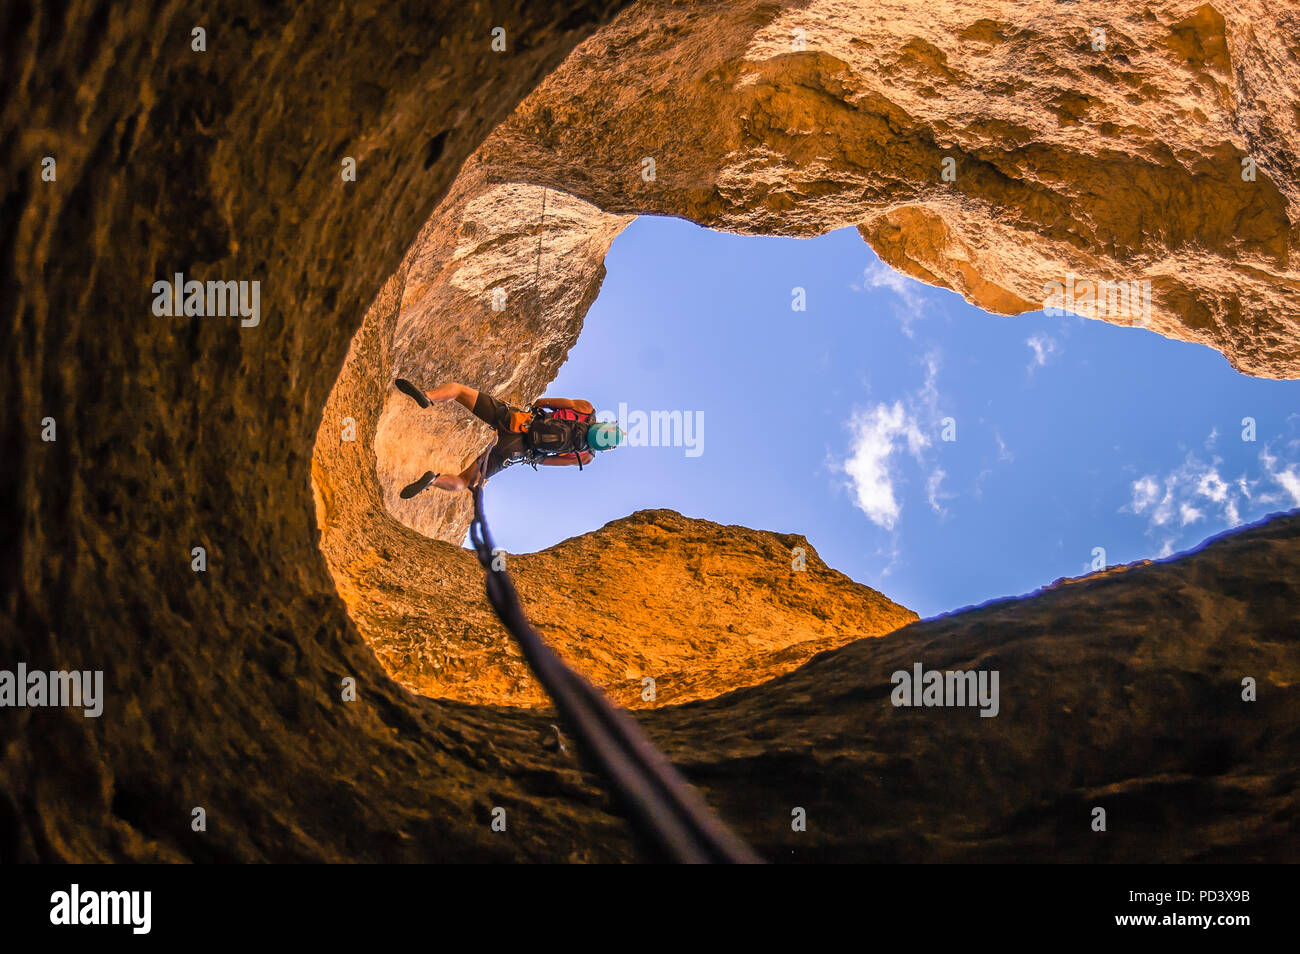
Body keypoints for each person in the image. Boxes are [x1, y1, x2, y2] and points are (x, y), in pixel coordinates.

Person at [394, 379, 623, 497]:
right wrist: (529, 454)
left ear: (605, 424)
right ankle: (433, 480)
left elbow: (544, 403)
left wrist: (535, 412)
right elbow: (545, 461)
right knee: (466, 482)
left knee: (459, 391)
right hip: (516, 450)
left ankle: (428, 397)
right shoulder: (585, 457)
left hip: (517, 420)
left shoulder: (585, 408)